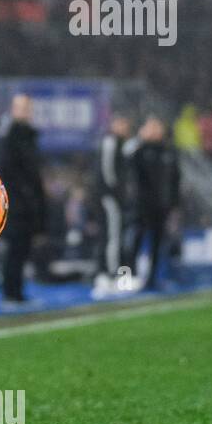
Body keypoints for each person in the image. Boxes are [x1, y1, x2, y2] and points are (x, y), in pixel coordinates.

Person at [0, 94, 47, 307]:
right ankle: (10, 294)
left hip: (28, 202)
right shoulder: (9, 136)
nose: (25, 111)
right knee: (15, 248)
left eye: (28, 107)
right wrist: (19, 195)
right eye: (21, 107)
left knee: (23, 247)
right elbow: (7, 171)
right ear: (13, 110)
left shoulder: (29, 136)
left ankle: (17, 292)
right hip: (16, 202)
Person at [129, 116, 181, 291]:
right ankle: (129, 276)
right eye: (150, 127)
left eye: (157, 127)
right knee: (135, 239)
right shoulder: (139, 150)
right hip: (142, 205)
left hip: (162, 206)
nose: (154, 130)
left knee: (158, 243)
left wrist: (174, 204)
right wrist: (139, 140)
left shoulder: (169, 152)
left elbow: (175, 180)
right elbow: (127, 164)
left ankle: (153, 278)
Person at [92, 115, 132, 299]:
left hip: (111, 197)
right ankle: (110, 275)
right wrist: (115, 192)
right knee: (112, 236)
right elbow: (108, 172)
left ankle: (110, 275)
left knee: (112, 236)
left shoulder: (120, 144)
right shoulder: (111, 142)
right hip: (109, 198)